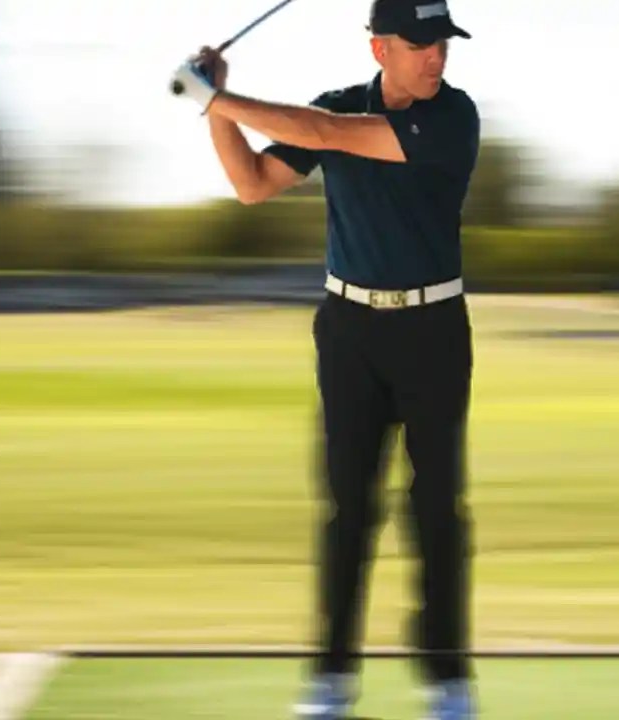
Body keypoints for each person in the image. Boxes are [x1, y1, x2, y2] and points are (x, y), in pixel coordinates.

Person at [170, 1, 480, 718]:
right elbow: (251, 184)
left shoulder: (453, 118)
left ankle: (446, 679)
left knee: (437, 508)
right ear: (380, 48)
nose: (436, 56)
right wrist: (217, 105)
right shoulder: (338, 105)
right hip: (349, 333)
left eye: (442, 42)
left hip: (433, 330)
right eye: (420, 42)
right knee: (348, 507)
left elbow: (326, 135)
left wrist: (214, 97)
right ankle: (332, 677)